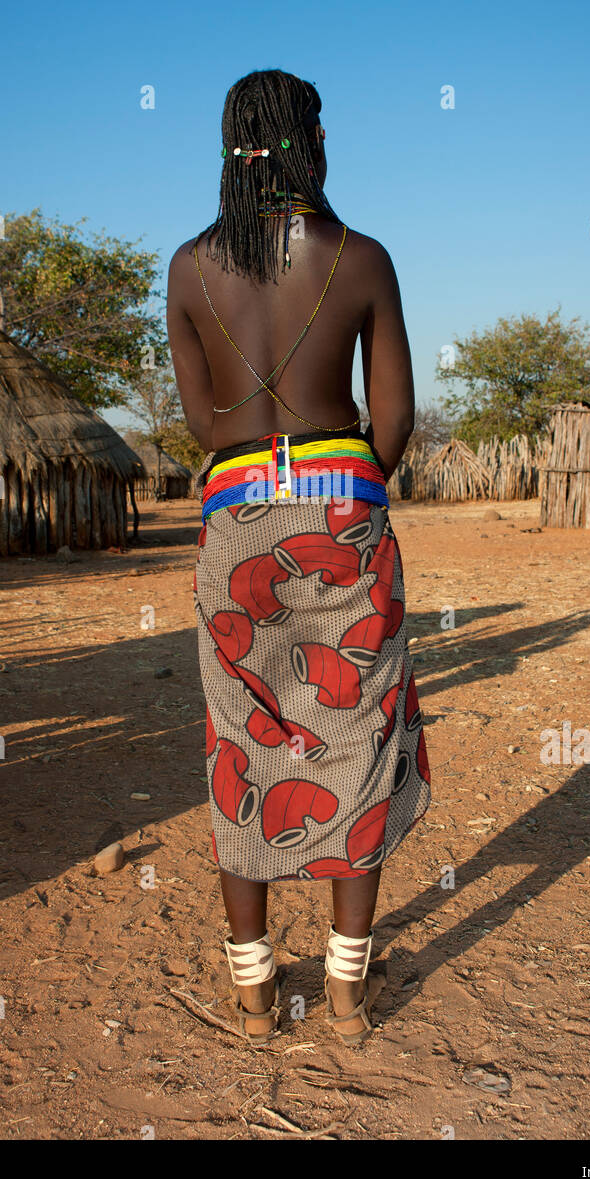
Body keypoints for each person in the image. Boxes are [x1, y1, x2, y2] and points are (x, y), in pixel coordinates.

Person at [166, 69, 430, 1046]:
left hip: (236, 524)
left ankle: (251, 988)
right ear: (309, 140)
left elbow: (202, 423)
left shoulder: (189, 268)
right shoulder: (360, 257)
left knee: (244, 738)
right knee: (356, 735)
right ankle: (348, 993)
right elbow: (392, 420)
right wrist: (347, 495)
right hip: (344, 521)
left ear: (229, 143)